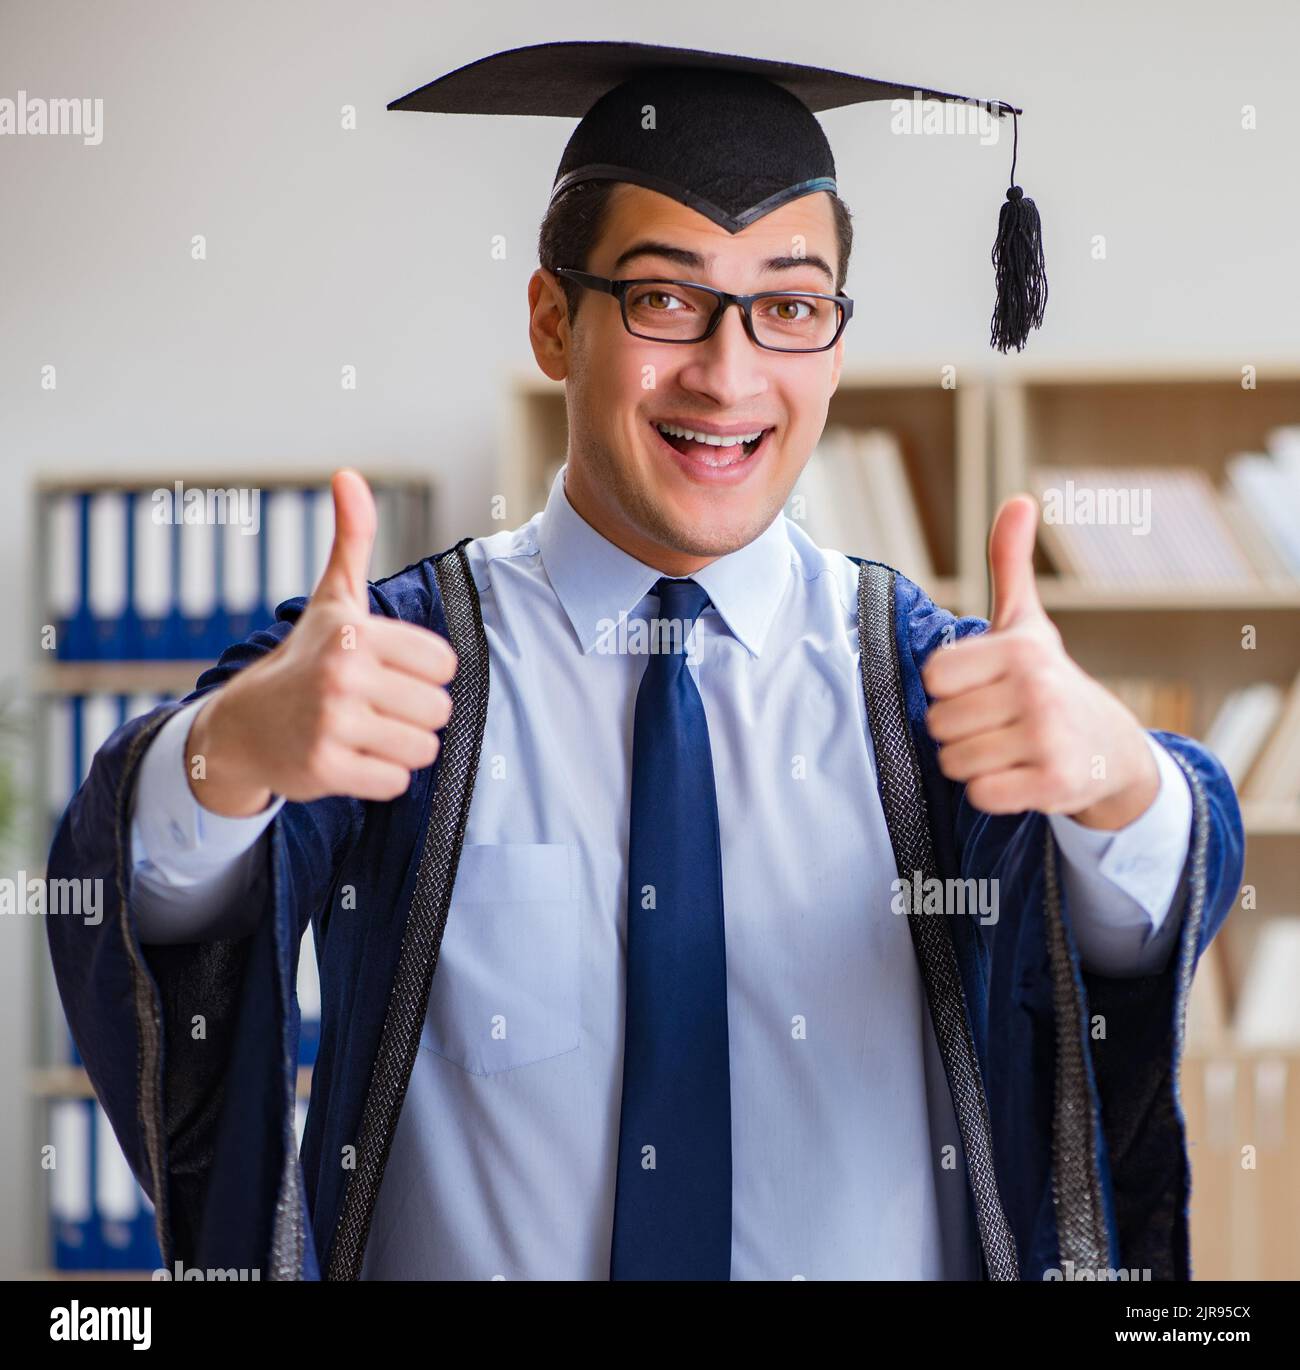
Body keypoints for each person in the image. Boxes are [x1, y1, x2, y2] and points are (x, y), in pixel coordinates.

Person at [47, 41, 1243, 1281]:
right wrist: (231, 750)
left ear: (832, 345)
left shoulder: (933, 703)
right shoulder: (392, 674)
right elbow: (151, 906)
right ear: (554, 321)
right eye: (665, 299)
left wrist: (1119, 779)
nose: (727, 375)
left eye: (788, 307)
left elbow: (1120, 939)